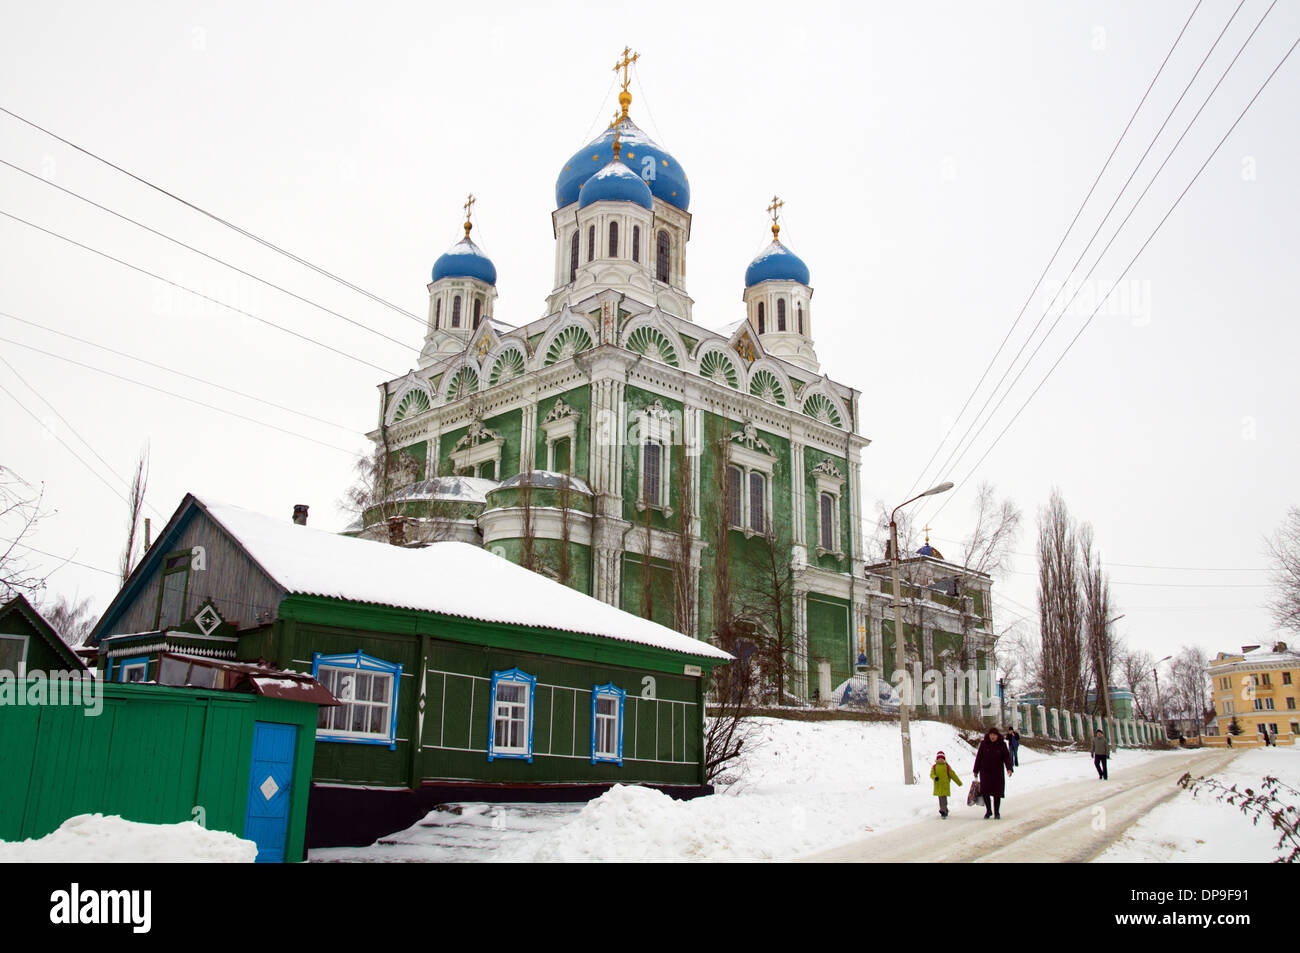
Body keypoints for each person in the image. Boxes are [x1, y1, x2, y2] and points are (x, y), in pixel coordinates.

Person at [973, 727, 1013, 819]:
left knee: (997, 793)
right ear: (989, 735)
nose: (992, 737)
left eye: (994, 735)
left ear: (997, 736)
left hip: (997, 772)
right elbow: (979, 757)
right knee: (985, 792)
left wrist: (1009, 768)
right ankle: (988, 811)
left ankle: (997, 812)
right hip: (985, 772)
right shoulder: (984, 744)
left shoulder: (1002, 745)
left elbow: (1006, 757)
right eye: (991, 735)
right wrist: (976, 770)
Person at [930, 750, 962, 819]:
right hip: (938, 786)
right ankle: (945, 809)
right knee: (940, 799)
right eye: (939, 758)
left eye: (942, 758)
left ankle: (943, 811)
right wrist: (935, 777)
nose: (940, 760)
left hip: (945, 786)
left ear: (944, 759)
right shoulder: (934, 767)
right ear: (937, 759)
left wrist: (959, 782)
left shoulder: (947, 767)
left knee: (943, 799)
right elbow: (931, 774)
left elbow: (953, 775)